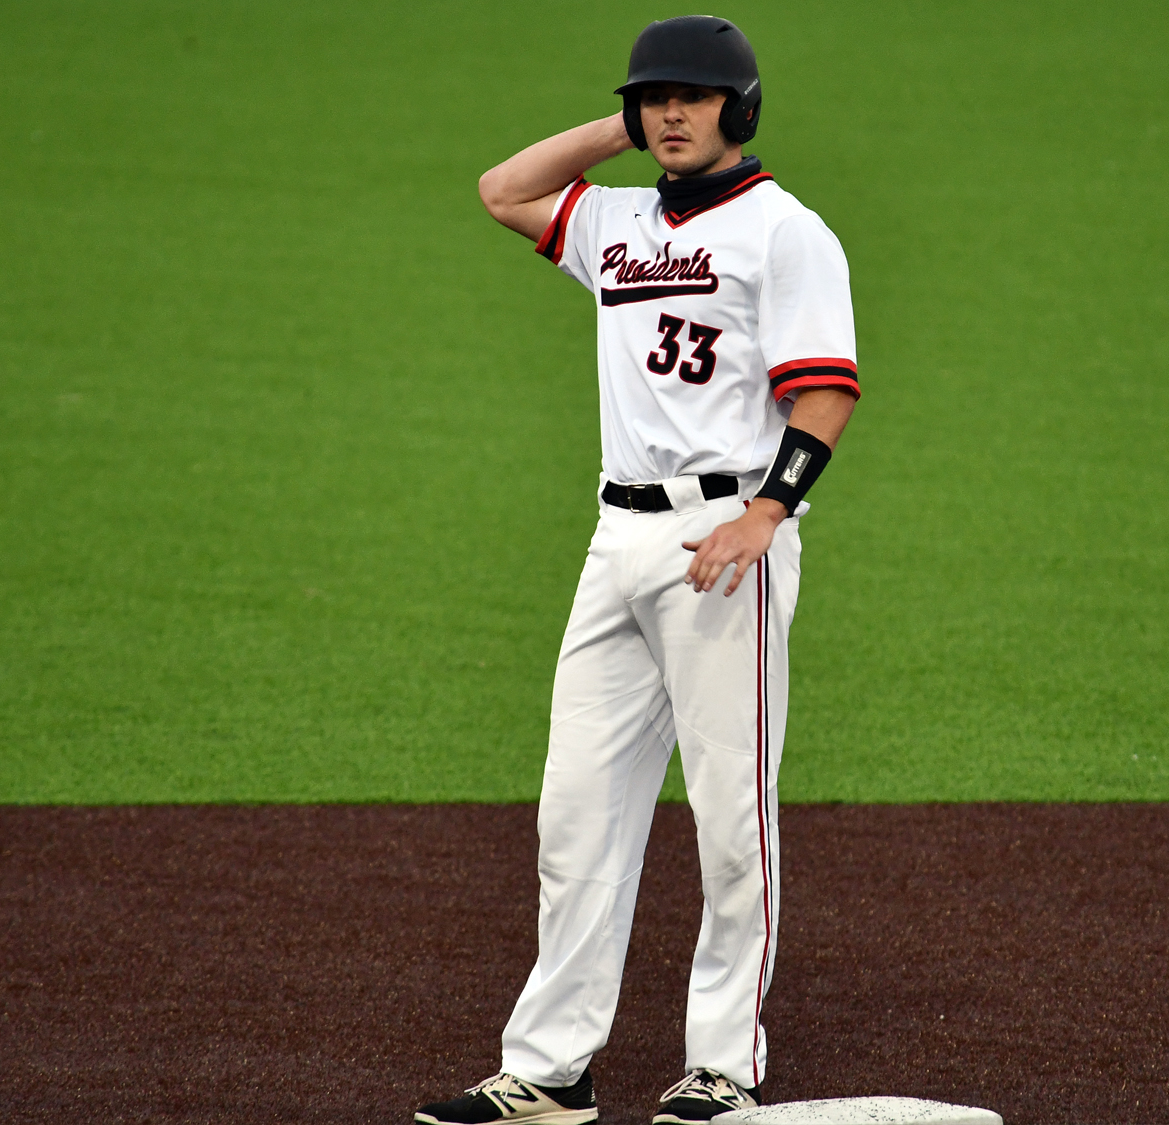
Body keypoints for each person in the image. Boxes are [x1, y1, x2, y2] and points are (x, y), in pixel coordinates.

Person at [416, 16, 859, 1125]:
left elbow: (825, 389)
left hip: (723, 539)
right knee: (576, 817)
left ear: (738, 109)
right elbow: (501, 188)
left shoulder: (785, 233)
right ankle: (550, 1068)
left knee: (729, 816)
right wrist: (613, 134)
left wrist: (769, 511)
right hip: (613, 542)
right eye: (651, 96)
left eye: (691, 97)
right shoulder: (613, 218)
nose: (668, 112)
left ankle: (722, 1065)